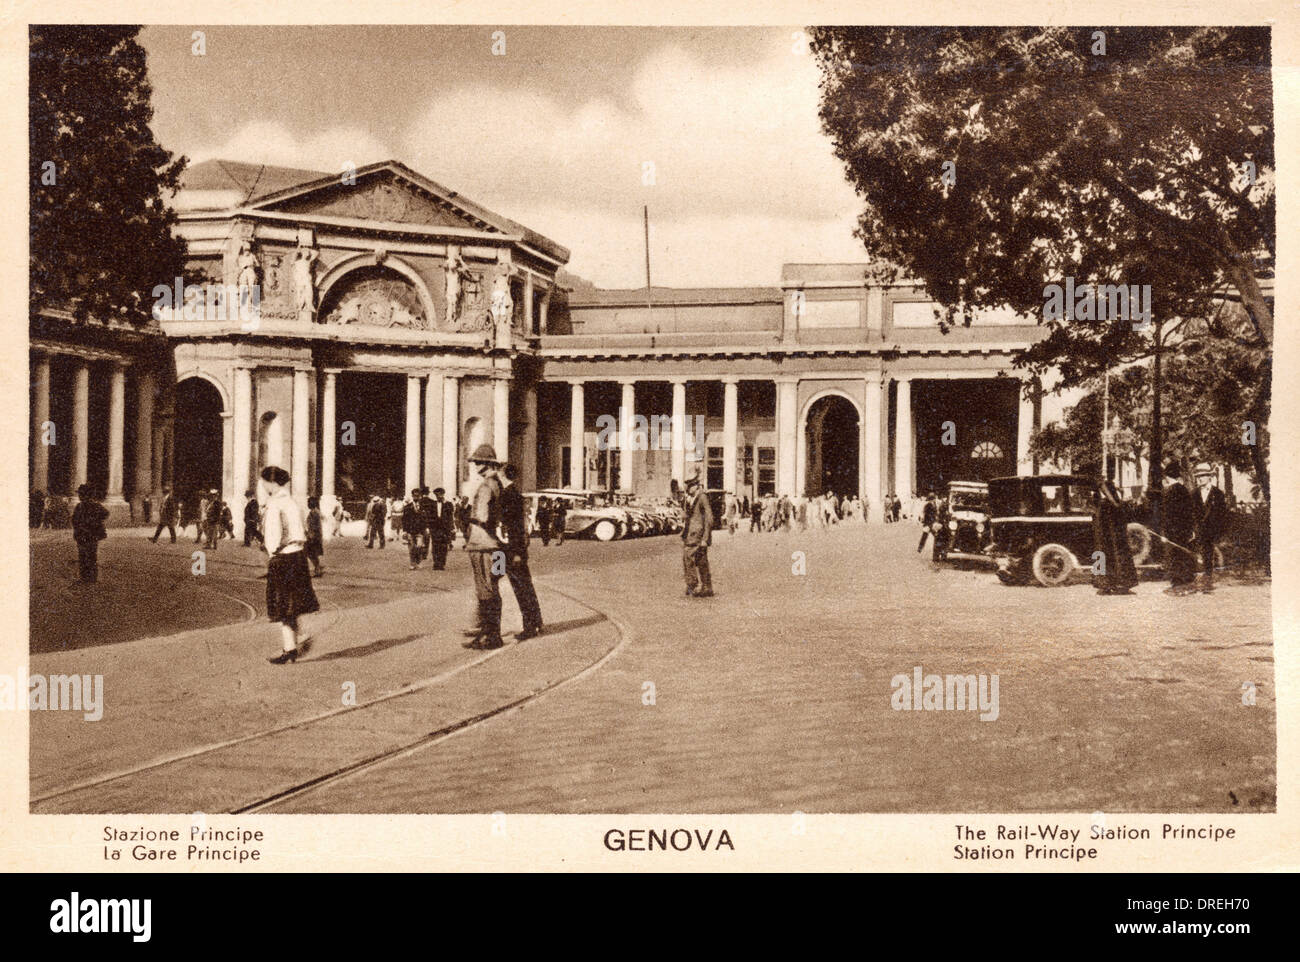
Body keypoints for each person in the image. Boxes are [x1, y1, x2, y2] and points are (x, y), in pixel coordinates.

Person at [260, 465, 319, 664]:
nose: (263, 485)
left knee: (283, 606)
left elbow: (274, 533)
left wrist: (272, 551)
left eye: (264, 481)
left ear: (271, 483)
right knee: (292, 605)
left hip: (283, 557)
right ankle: (293, 645)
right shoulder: (292, 502)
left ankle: (290, 649)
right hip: (298, 557)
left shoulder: (276, 503)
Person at [462, 444, 506, 650]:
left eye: (478, 462)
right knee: (493, 588)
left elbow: (483, 516)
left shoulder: (486, 486)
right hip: (496, 546)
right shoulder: (499, 484)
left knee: (485, 591)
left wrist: (470, 523)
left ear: (487, 464)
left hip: (482, 545)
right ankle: (489, 632)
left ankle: (491, 635)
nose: (475, 465)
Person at [500, 464, 544, 640]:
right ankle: (536, 621)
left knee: (521, 587)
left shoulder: (508, 495)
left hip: (510, 551)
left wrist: (517, 553)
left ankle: (530, 626)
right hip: (512, 550)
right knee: (524, 586)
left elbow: (515, 527)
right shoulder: (514, 494)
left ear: (503, 475)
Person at [1092, 479, 1138, 595]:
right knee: (1119, 557)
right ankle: (1123, 584)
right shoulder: (1115, 504)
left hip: (1103, 538)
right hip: (1116, 538)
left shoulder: (1101, 504)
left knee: (1102, 556)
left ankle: (1104, 585)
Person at [1160, 463, 1198, 596]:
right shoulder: (1184, 490)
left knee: (1175, 558)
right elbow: (1190, 511)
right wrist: (1192, 530)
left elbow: (1166, 514)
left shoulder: (1168, 492)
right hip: (1184, 530)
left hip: (1172, 531)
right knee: (1185, 556)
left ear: (1167, 476)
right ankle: (1188, 584)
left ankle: (1178, 585)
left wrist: (1164, 533)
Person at [1194, 466, 1228, 594]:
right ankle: (1200, 580)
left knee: (1209, 555)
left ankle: (1208, 580)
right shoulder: (1194, 493)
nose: (1200, 479)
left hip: (1212, 530)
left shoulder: (1218, 494)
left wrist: (1219, 531)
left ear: (1209, 477)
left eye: (1202, 476)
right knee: (1199, 554)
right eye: (1197, 477)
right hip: (1198, 530)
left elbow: (1222, 514)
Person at [681, 471, 715, 597]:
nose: (687, 489)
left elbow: (709, 517)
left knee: (688, 557)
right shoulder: (691, 498)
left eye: (689, 486)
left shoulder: (702, 497)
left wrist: (705, 538)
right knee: (701, 561)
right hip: (692, 534)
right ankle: (707, 587)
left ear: (695, 485)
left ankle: (692, 584)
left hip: (698, 535)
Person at [71, 484, 108, 584]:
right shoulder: (94, 505)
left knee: (84, 556)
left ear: (83, 495)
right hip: (90, 535)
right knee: (90, 556)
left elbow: (74, 519)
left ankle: (85, 578)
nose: (79, 496)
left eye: (80, 494)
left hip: (84, 535)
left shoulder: (81, 506)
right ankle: (91, 578)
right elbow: (105, 513)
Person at [427, 486, 454, 570]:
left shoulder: (448, 504)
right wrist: (429, 527)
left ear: (443, 494)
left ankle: (442, 563)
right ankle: (436, 563)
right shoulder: (432, 505)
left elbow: (450, 517)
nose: (439, 497)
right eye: (437, 495)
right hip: (434, 528)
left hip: (445, 528)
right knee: (435, 545)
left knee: (443, 546)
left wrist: (452, 528)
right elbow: (428, 517)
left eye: (440, 495)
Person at [402, 488, 425, 569]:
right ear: (412, 496)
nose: (416, 497)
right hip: (410, 530)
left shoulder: (423, 507)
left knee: (419, 546)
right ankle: (412, 563)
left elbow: (425, 519)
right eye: (414, 496)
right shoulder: (407, 507)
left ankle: (418, 561)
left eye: (418, 496)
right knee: (411, 548)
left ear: (420, 496)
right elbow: (404, 519)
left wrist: (426, 528)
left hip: (420, 531)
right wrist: (405, 531)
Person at [304, 495, 325, 577]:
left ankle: (317, 569)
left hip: (313, 536)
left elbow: (314, 526)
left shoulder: (314, 513)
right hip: (315, 536)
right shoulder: (316, 512)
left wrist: (310, 535)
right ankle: (317, 569)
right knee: (312, 554)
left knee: (310, 553)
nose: (307, 504)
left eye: (309, 502)